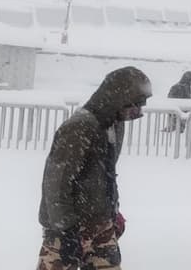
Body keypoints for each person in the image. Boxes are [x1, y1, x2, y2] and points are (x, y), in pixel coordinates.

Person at [36, 66, 152, 270]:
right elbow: (56, 183)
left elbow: (105, 174)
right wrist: (66, 231)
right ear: (118, 98)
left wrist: (112, 210)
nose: (137, 112)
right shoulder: (79, 127)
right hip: (67, 227)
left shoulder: (113, 123)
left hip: (101, 224)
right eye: (135, 105)